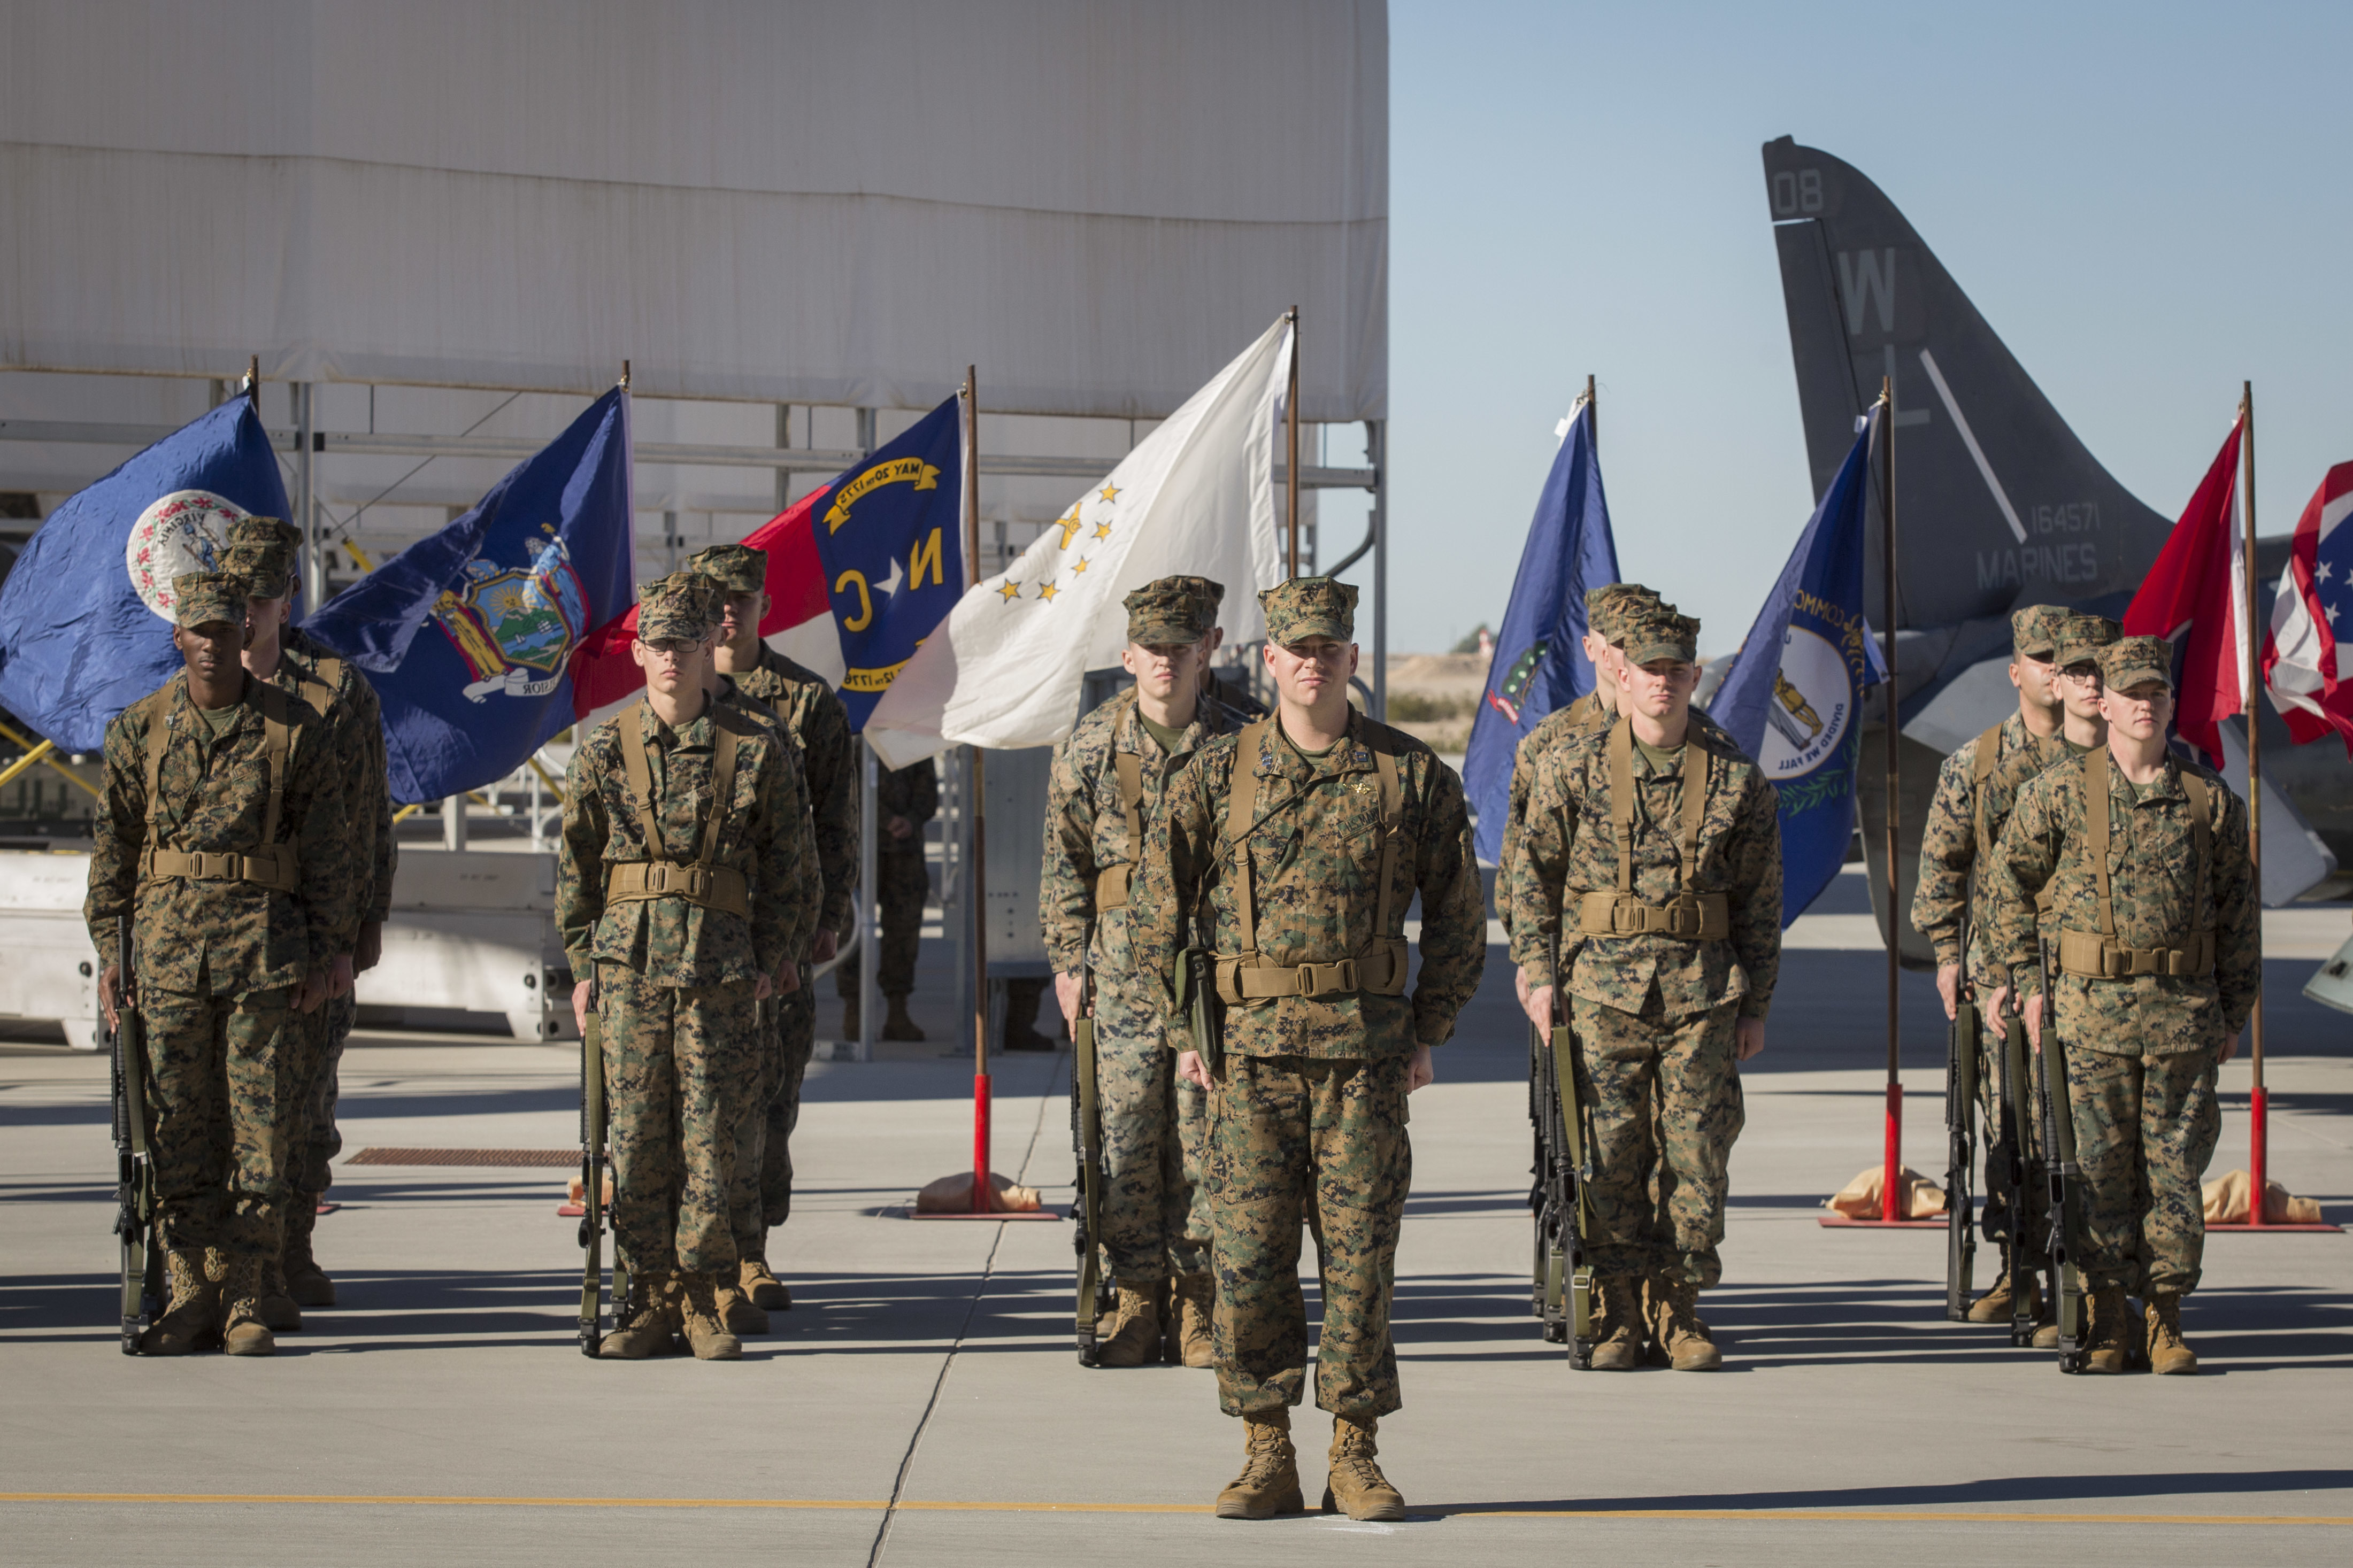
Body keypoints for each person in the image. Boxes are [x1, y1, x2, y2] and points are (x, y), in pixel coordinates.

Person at [1132, 578, 1484, 1522]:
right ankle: (1266, 1449)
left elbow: (1459, 910)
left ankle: (1356, 1452)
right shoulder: (1215, 774)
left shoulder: (1409, 776)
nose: (1314, 661)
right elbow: (1154, 914)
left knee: (1361, 1263)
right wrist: (1187, 1032)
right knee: (1248, 1261)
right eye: (1297, 648)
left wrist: (1429, 1025)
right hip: (1249, 1064)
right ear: (1273, 660)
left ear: (1351, 660)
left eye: (1330, 647)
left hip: (1366, 1061)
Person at [1510, 602, 1780, 1374]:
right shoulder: (1573, 766)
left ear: (1696, 677)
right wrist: (1536, 972)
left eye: (1677, 672)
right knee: (1610, 1151)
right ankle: (1618, 1305)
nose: (1662, 684)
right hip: (1601, 994)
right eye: (1650, 670)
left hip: (1704, 994)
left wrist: (1756, 1003)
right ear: (1623, 673)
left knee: (1696, 1154)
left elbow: (1762, 902)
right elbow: (1533, 880)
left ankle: (1679, 1303)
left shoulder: (1734, 778)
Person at [87, 571, 351, 1357]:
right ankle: (190, 1288)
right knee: (175, 1131)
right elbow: (115, 854)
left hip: (263, 962)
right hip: (165, 964)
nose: (212, 642)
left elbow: (329, 851)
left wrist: (326, 949)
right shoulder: (141, 730)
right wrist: (112, 951)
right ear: (178, 637)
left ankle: (246, 1293)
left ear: (247, 633)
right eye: (197, 630)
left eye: (225, 629)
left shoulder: (293, 729)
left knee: (261, 1134)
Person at [559, 576, 819, 1361]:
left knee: (715, 1138)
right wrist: (580, 963)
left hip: (721, 974)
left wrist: (772, 960)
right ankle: (647, 1298)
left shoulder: (755, 748)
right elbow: (576, 866)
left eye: (687, 645)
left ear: (711, 651)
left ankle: (706, 1296)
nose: (672, 659)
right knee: (635, 1141)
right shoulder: (604, 749)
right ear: (638, 653)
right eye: (659, 645)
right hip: (630, 973)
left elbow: (792, 868)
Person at [1984, 637, 2259, 1376]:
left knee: (2174, 1173)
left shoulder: (2208, 801)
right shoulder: (2058, 793)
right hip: (2090, 1017)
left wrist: (2234, 1011)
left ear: (2170, 703)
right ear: (2101, 702)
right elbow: (2006, 885)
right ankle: (2106, 1314)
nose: (2144, 703)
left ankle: (2164, 1315)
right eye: (2129, 691)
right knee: (2099, 1170)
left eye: (2156, 693)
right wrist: (2026, 983)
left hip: (2182, 1019)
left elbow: (2240, 915)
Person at [1042, 575, 1247, 1370]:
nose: (1167, 662)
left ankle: (1197, 1302)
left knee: (1203, 1142)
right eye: (1153, 649)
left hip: (1207, 976)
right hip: (1120, 975)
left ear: (1210, 649)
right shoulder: (1092, 746)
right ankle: (1134, 1297)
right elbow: (1063, 864)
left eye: (1182, 647)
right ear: (1129, 655)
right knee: (1124, 1142)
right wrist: (1068, 962)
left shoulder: (1240, 744)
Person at [219, 520, 395, 1327]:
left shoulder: (337, 691)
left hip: (311, 924)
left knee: (306, 1100)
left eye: (265, 595)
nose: (252, 611)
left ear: (288, 599)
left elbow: (369, 821)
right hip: (219, 935)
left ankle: (290, 1246)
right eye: (240, 597)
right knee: (218, 1105)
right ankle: (225, 1256)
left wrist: (360, 927)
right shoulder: (198, 683)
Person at [687, 544, 855, 1319]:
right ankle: (701, 1251)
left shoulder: (806, 700)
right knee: (697, 1099)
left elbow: (833, 821)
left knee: (772, 1098)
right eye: (715, 598)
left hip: (778, 926)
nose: (728, 611)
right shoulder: (681, 690)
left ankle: (752, 1248)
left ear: (764, 607)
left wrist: (826, 918)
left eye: (741, 599)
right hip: (693, 935)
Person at [1911, 604, 2071, 1328]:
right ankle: (2017, 1269)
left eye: (2068, 663)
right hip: (2000, 980)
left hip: (2083, 981)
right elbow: (1942, 872)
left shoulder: (2100, 760)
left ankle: (2083, 1274)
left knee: (2081, 1131)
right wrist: (1949, 958)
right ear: (2016, 673)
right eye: (2043, 661)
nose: (2055, 673)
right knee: (2008, 1128)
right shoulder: (1976, 766)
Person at [840, 756, 936, 1041]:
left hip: (905, 854)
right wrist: (884, 819)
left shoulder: (910, 734)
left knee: (903, 934)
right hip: (859, 849)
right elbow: (844, 788)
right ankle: (853, 1009)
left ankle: (898, 1011)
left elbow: (928, 791)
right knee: (850, 930)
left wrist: (911, 820)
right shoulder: (855, 732)